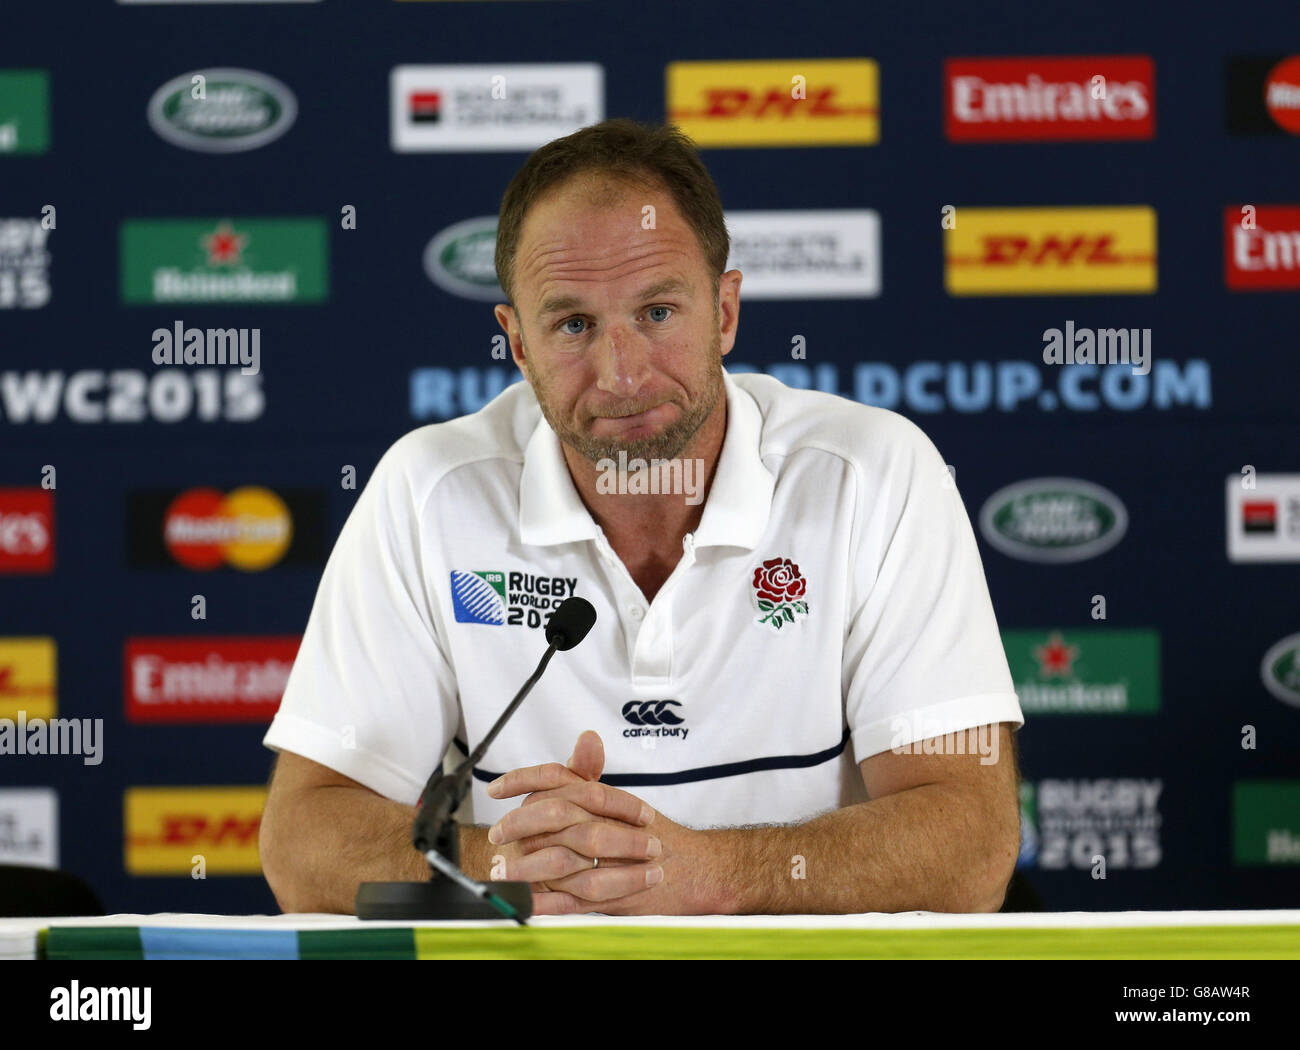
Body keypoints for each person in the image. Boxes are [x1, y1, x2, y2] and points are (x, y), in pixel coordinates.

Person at [259, 118, 1025, 916]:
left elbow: (971, 846)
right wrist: (504, 863)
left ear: (725, 312)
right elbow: (301, 840)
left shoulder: (874, 476)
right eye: (573, 325)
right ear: (516, 345)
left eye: (657, 313)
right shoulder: (430, 493)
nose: (621, 374)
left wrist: (706, 873)